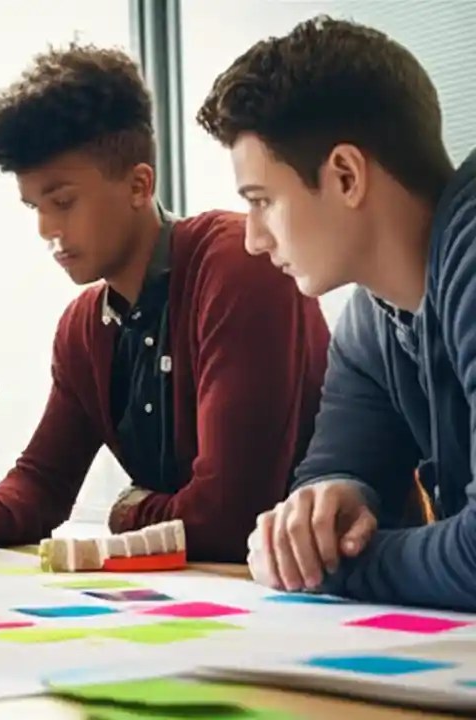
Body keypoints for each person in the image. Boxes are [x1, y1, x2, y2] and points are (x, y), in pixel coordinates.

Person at [0, 44, 329, 562]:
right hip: (220, 597)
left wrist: (128, 509)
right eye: (34, 207)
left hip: (341, 592)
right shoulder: (84, 327)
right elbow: (44, 480)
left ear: (139, 183)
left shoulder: (239, 266)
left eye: (62, 202)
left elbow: (229, 517)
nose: (46, 230)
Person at [197, 17, 476, 611]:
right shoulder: (370, 320)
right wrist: (323, 510)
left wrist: (339, 570)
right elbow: (321, 492)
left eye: (262, 201)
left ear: (346, 175)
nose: (252, 238)